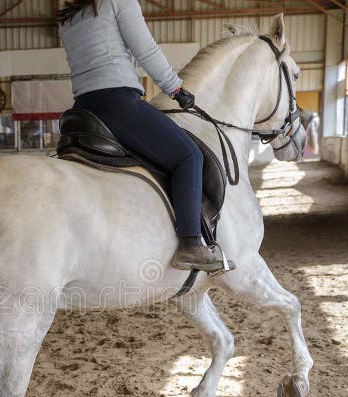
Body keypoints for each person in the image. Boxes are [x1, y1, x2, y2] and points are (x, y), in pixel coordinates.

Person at [57, 0, 225, 272]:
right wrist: (176, 90)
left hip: (83, 109)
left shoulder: (69, 17)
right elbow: (145, 49)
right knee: (188, 156)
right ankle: (191, 244)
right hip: (117, 102)